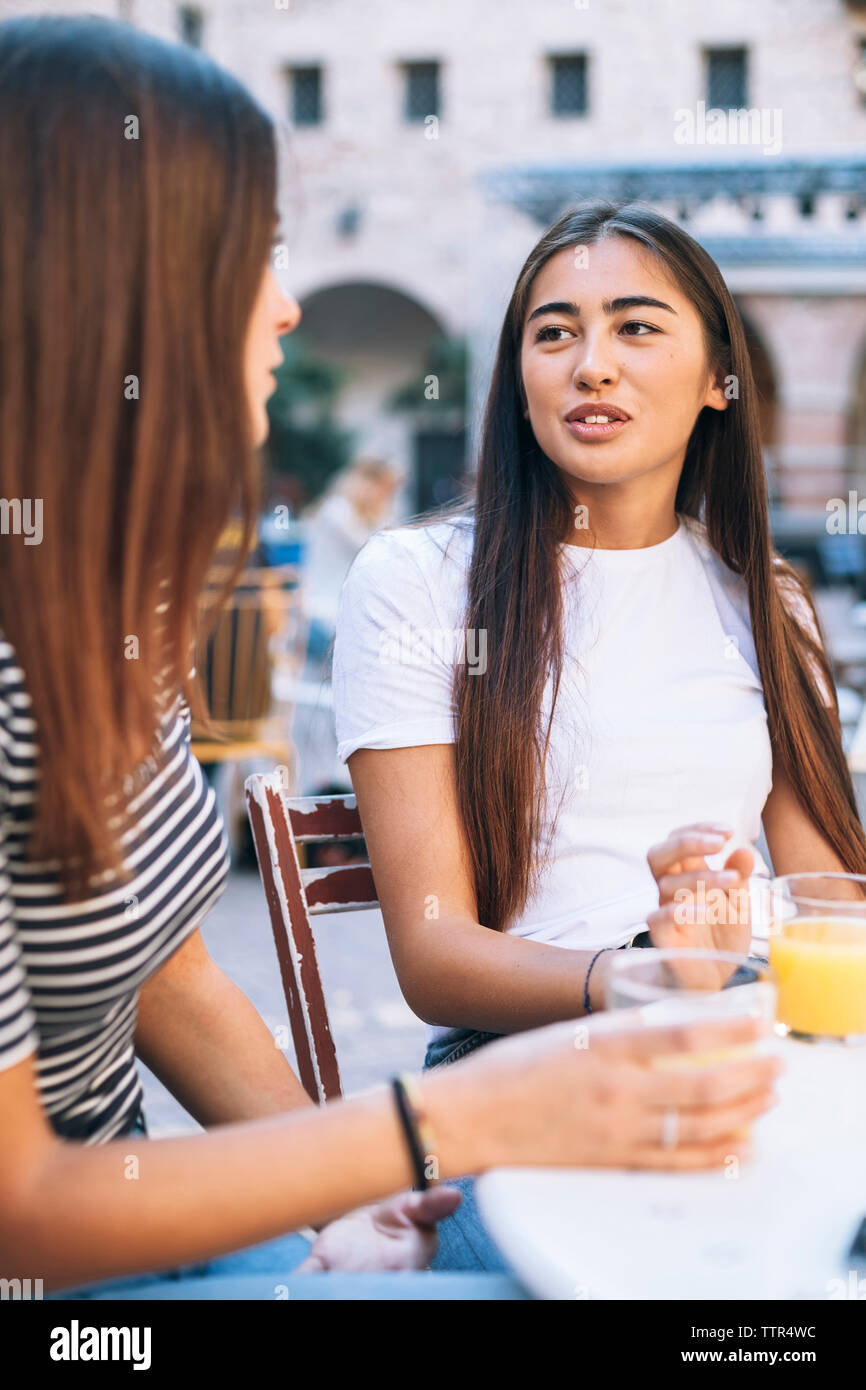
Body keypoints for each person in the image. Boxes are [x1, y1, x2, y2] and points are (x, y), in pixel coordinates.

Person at [0, 18, 781, 1300]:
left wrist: (354, 1192)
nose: (291, 299)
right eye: (251, 251)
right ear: (110, 282)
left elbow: (168, 978)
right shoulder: (420, 578)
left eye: (638, 330)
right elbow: (19, 1211)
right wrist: (440, 1124)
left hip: (161, 1230)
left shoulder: (87, 611)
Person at [332, 199, 866, 1268]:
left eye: (634, 326)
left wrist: (733, 969)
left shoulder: (763, 600)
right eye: (552, 332)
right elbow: (434, 957)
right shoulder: (416, 583)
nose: (590, 365)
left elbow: (828, 905)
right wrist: (645, 970)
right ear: (517, 378)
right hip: (523, 1070)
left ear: (719, 378)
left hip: (756, 1052)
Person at [302, 457, 405, 670]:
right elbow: (377, 548)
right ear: (369, 484)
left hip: (336, 616)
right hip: (323, 616)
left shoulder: (353, 514)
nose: (390, 497)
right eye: (388, 489)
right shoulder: (337, 512)